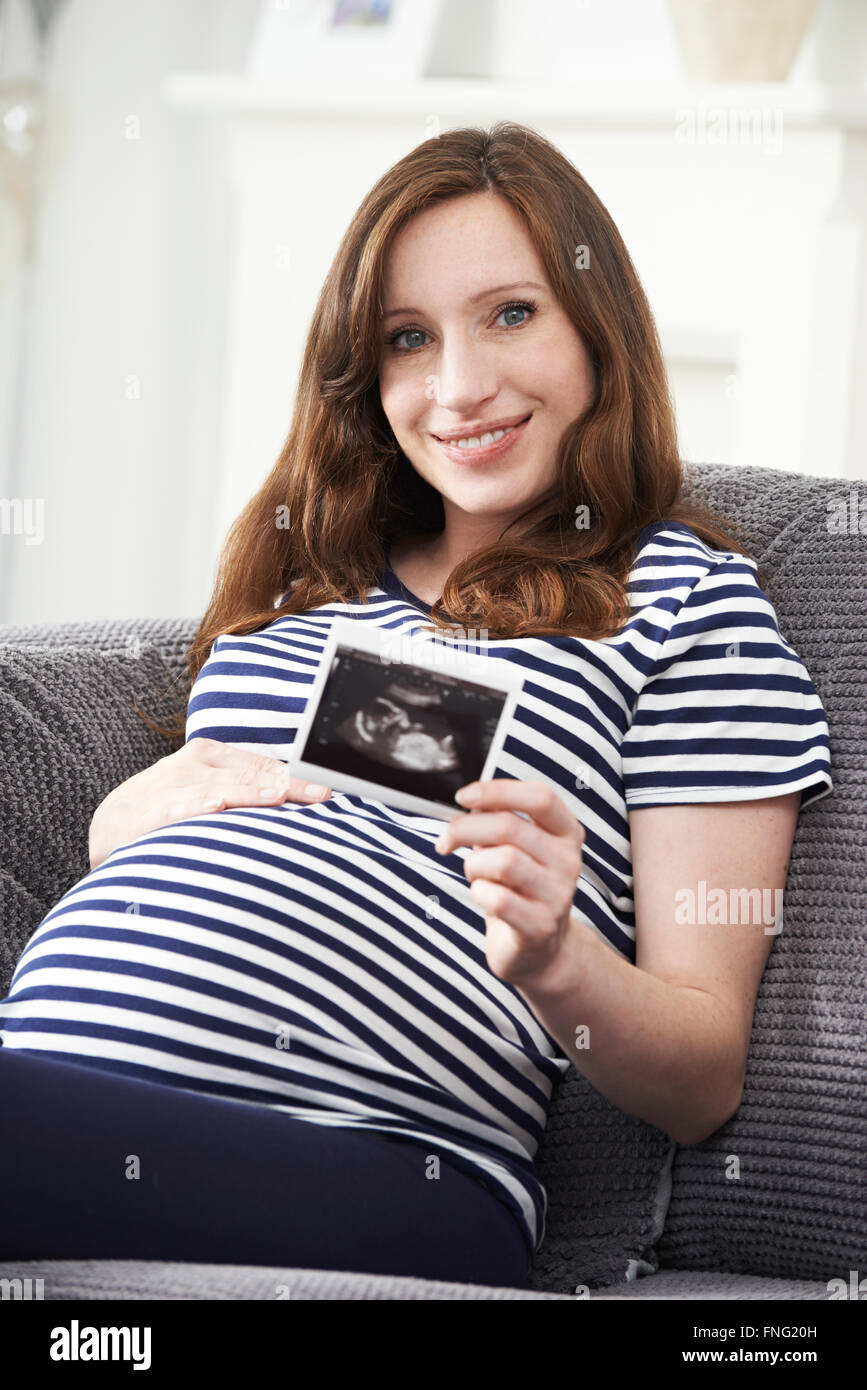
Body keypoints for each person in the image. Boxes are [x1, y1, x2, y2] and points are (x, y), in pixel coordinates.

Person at [0, 122, 832, 1290]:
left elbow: (704, 1077)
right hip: (68, 1099)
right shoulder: (300, 594)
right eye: (407, 338)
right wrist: (116, 825)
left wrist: (556, 955)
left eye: (509, 313)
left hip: (392, 1171)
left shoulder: (684, 598)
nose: (458, 386)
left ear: (600, 329)